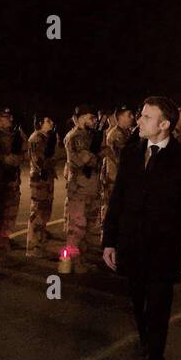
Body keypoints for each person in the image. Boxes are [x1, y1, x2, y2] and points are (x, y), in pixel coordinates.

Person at [102, 96, 181, 360]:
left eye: (146, 117)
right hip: (131, 245)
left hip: (164, 249)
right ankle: (152, 348)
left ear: (164, 124)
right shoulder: (132, 153)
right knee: (138, 303)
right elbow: (117, 199)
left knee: (158, 308)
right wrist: (109, 239)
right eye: (140, 115)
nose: (139, 121)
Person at [62, 105, 102, 272]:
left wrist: (95, 154)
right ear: (80, 118)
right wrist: (95, 154)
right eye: (90, 117)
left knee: (87, 226)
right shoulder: (75, 136)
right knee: (76, 228)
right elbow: (80, 160)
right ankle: (71, 262)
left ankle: (81, 259)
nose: (94, 120)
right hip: (79, 187)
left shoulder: (88, 136)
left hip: (90, 186)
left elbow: (98, 158)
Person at [0, 107, 25, 263]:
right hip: (1, 182)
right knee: (0, 218)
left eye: (10, 116)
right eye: (5, 117)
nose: (10, 119)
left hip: (13, 182)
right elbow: (0, 157)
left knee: (10, 217)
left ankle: (3, 245)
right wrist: (10, 158)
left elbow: (24, 152)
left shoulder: (14, 136)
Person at [25, 115, 57, 257]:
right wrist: (51, 160)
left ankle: (40, 243)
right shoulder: (36, 138)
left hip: (46, 179)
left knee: (45, 211)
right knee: (38, 212)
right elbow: (40, 161)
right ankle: (33, 247)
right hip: (39, 180)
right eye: (48, 121)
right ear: (40, 123)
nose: (51, 122)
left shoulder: (46, 137)